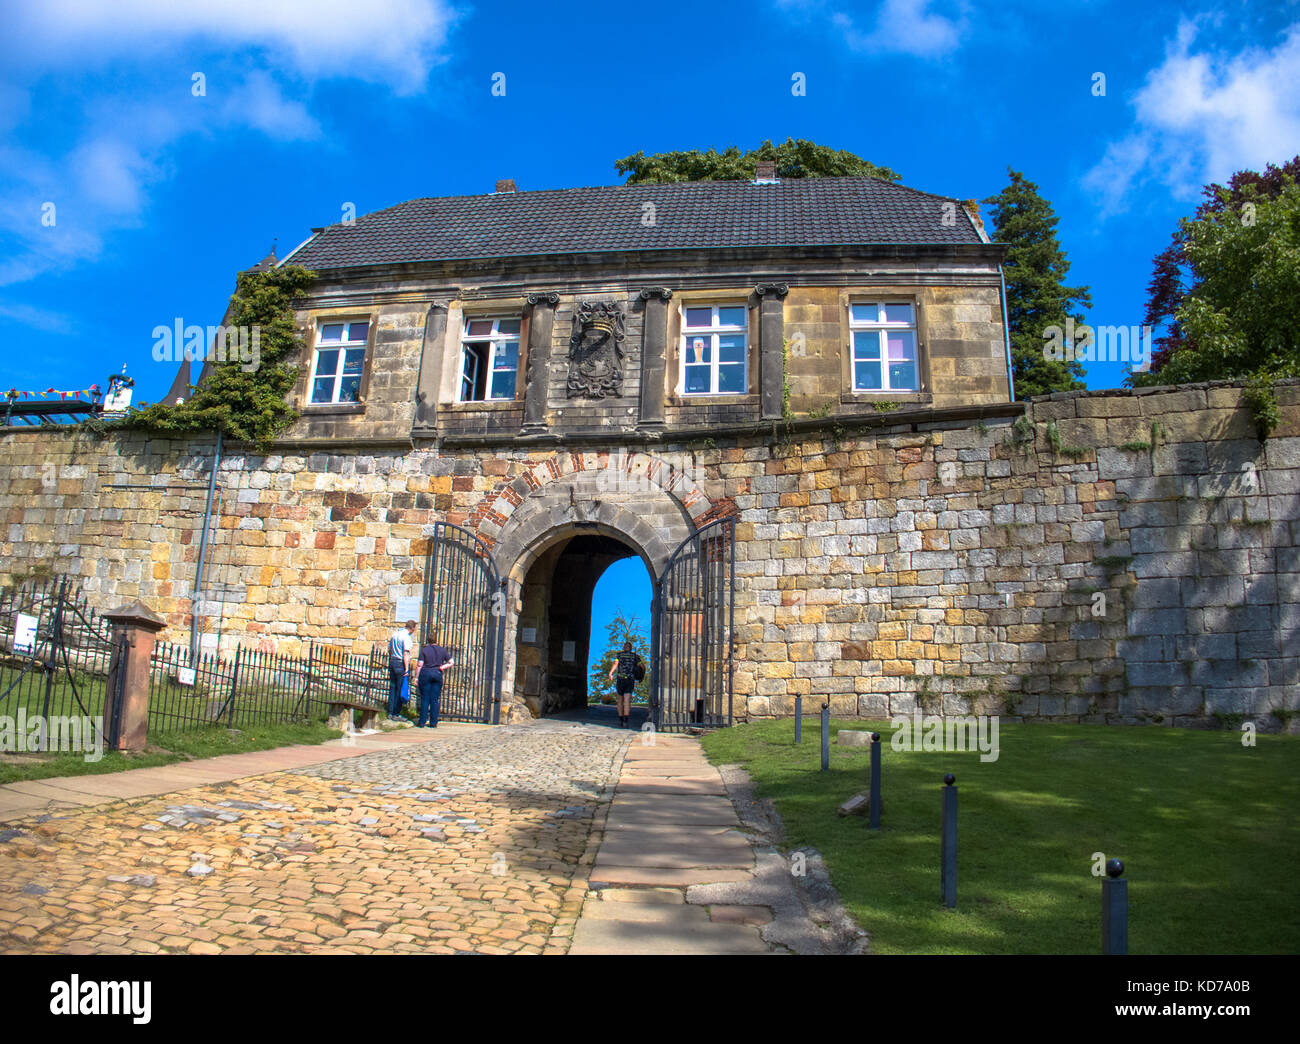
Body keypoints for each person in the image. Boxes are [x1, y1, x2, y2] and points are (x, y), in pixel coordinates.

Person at [415, 630, 455, 728]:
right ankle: (433, 722)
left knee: (425, 698)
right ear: (436, 640)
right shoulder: (442, 650)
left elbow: (420, 664)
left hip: (426, 673)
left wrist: (416, 677)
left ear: (428, 640)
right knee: (435, 699)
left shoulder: (424, 650)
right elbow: (451, 662)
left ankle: (422, 722)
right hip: (437, 673)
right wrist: (442, 667)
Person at [607, 639, 643, 728]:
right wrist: (641, 676)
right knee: (627, 700)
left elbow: (615, 663)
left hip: (620, 679)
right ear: (631, 648)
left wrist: (610, 673)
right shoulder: (635, 656)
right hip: (630, 679)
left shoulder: (619, 655)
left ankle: (621, 719)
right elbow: (642, 666)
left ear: (624, 647)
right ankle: (626, 720)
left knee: (620, 700)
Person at [387, 620, 416, 721]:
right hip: (400, 663)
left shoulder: (395, 634)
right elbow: (406, 654)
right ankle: (396, 713)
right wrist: (407, 669)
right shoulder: (406, 637)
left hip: (393, 661)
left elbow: (389, 649)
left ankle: (390, 711)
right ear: (412, 628)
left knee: (392, 687)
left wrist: (391, 659)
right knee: (399, 689)